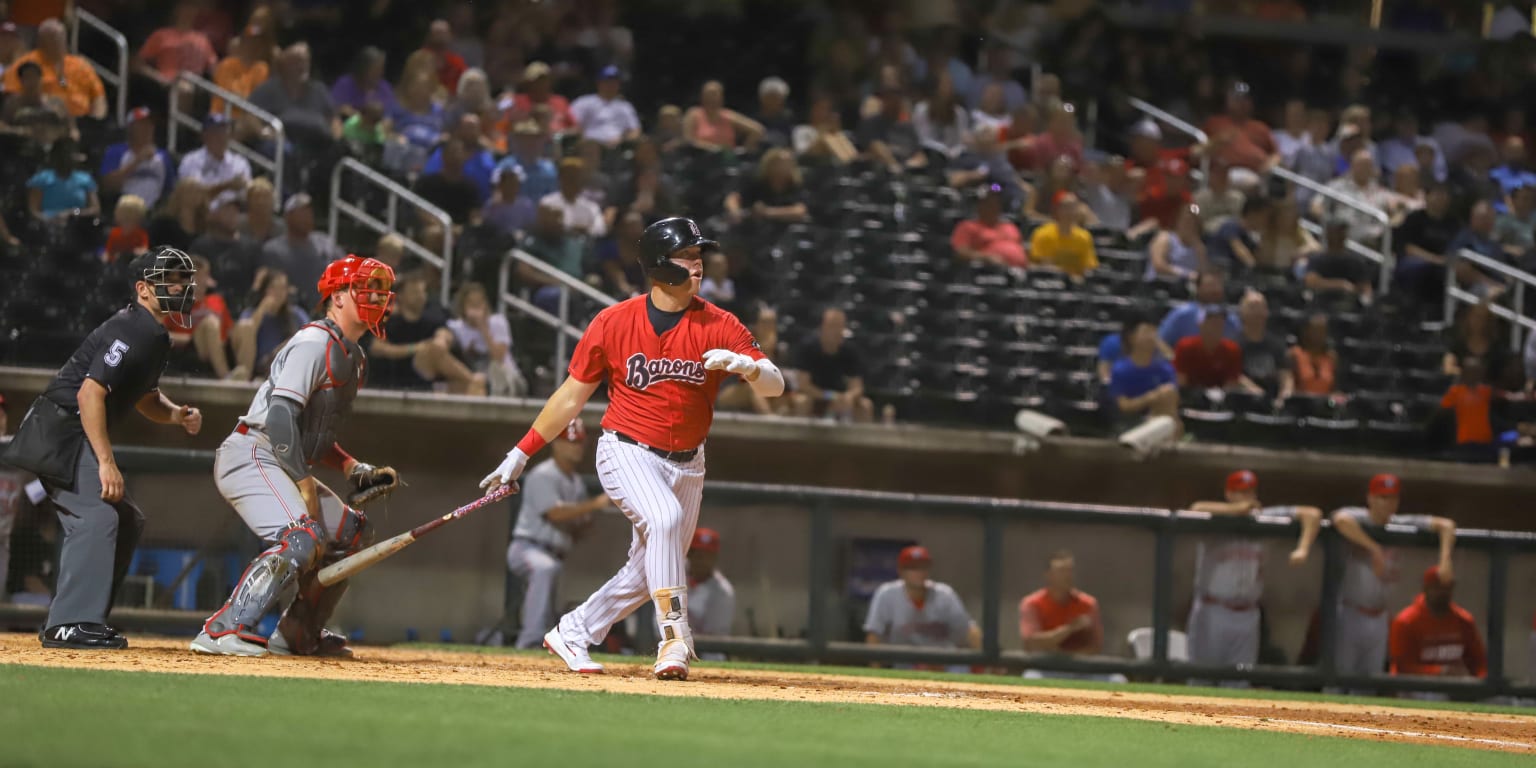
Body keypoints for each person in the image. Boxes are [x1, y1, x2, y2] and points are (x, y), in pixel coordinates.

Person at [478, 216, 785, 680]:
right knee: (664, 520)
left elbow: (776, 386)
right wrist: (521, 452)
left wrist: (748, 367)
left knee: (649, 571)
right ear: (660, 264)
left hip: (689, 463)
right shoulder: (613, 321)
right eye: (688, 256)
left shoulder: (719, 323)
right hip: (627, 449)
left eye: (700, 256)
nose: (698, 264)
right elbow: (570, 397)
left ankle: (574, 631)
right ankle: (675, 639)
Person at [191, 256, 398, 657]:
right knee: (302, 536)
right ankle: (222, 629)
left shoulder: (353, 356)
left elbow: (313, 433)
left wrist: (351, 466)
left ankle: (298, 633)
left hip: (281, 458)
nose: (376, 297)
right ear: (338, 297)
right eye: (365, 288)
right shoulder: (314, 343)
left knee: (352, 533)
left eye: (380, 291)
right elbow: (281, 417)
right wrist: (304, 485)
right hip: (253, 451)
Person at [1, 249, 201, 649]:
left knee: (125, 520)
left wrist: (176, 414)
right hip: (59, 430)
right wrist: (107, 463)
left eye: (182, 279)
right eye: (170, 279)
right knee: (98, 515)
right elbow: (89, 394)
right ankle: (68, 623)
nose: (180, 287)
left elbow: (146, 397)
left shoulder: (154, 335)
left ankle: (84, 618)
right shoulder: (130, 327)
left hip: (69, 431)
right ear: (143, 289)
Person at [1187, 471, 1322, 667]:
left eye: (1249, 492)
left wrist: (1303, 548)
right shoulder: (1216, 518)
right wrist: (1236, 509)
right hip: (1213, 609)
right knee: (1201, 674)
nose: (1246, 497)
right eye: (1240, 492)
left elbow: (1312, 514)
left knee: (1241, 677)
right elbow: (1195, 509)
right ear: (1228, 494)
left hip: (1248, 613)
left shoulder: (1264, 518)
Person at [1329, 474, 1457, 679]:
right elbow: (1340, 520)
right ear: (1370, 498)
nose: (1388, 503)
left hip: (1380, 616)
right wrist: (1374, 548)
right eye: (1382, 497)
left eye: (1393, 498)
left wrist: (1445, 561)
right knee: (1338, 679)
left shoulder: (1400, 523)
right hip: (1350, 612)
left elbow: (1447, 525)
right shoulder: (1360, 518)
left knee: (1371, 682)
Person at [505, 420, 611, 649]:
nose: (575, 447)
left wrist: (587, 523)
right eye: (569, 442)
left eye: (579, 443)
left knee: (550, 577)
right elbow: (554, 514)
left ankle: (542, 641)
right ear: (556, 444)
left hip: (554, 552)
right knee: (545, 569)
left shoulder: (576, 482)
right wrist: (594, 504)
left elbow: (577, 525)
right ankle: (529, 641)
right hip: (527, 547)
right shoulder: (543, 474)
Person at [366, 271, 486, 395]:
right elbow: (377, 348)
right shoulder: (390, 320)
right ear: (401, 296)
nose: (420, 296)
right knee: (434, 351)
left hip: (426, 374)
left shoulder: (431, 315)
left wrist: (442, 339)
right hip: (395, 373)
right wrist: (415, 348)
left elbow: (444, 332)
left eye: (423, 292)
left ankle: (472, 381)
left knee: (439, 353)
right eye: (414, 292)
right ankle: (472, 379)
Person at [865, 545, 981, 651]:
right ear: (901, 571)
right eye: (913, 568)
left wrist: (987, 661)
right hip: (904, 662)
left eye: (923, 567)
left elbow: (969, 630)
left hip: (942, 660)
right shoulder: (887, 594)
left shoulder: (945, 594)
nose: (919, 572)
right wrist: (875, 665)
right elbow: (874, 634)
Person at [1389, 566, 1486, 679]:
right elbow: (1403, 667)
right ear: (1425, 588)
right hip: (1415, 684)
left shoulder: (1464, 620)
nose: (1443, 592)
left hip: (1453, 684)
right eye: (1437, 587)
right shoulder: (1405, 621)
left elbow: (1479, 662)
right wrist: (1440, 671)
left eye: (1447, 587)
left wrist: (1480, 680)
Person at [1, 18, 107, 119]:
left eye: (60, 38)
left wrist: (96, 118)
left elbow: (98, 95)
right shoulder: (26, 65)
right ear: (41, 42)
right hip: (42, 118)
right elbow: (11, 95)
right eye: (52, 38)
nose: (57, 42)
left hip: (82, 120)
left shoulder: (81, 65)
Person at [1017, 550, 1107, 664]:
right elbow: (1031, 644)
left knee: (1116, 675)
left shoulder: (1088, 604)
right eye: (1061, 571)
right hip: (1043, 666)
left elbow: (1096, 646)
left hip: (1081, 666)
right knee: (1031, 674)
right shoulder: (1032, 603)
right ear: (1048, 575)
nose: (1067, 575)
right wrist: (1070, 629)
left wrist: (1071, 659)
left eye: (1070, 570)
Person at [261, 194, 344, 307]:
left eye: (309, 212)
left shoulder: (325, 244)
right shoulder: (273, 250)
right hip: (290, 311)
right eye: (302, 212)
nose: (307, 216)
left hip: (327, 309)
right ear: (288, 217)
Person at [793, 308, 875, 423]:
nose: (836, 331)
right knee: (801, 401)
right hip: (816, 395)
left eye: (840, 326)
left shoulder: (850, 351)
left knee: (865, 405)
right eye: (832, 326)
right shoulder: (808, 348)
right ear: (822, 327)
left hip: (840, 396)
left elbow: (857, 386)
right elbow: (804, 385)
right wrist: (830, 396)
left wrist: (849, 396)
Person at [447, 282, 526, 397]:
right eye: (471, 303)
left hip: (506, 376)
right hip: (475, 376)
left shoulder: (498, 322)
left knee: (495, 371)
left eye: (479, 303)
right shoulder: (455, 327)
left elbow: (498, 357)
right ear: (463, 306)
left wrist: (483, 328)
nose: (476, 306)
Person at [231, 269, 307, 378]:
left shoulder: (296, 314)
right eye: (273, 288)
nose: (278, 293)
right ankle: (245, 376)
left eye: (282, 288)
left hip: (286, 364)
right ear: (265, 290)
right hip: (258, 365)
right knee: (246, 326)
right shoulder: (250, 313)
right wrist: (261, 310)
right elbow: (245, 335)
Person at [1110, 314, 1180, 431]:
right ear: (1132, 338)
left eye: (1154, 332)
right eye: (1146, 332)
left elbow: (1173, 400)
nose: (1150, 337)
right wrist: (1151, 397)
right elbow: (1124, 406)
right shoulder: (1121, 369)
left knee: (1168, 394)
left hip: (1160, 420)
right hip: (1130, 423)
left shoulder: (1165, 369)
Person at [1174, 309, 1257, 392]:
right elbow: (1181, 382)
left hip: (1221, 396)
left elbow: (1231, 384)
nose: (1216, 327)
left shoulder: (1232, 349)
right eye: (1211, 322)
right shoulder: (1186, 346)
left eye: (1219, 323)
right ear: (1201, 325)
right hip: (1190, 395)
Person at [177, 113, 251, 202]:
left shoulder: (240, 163)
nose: (221, 136)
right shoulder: (191, 160)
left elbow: (246, 197)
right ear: (204, 135)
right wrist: (226, 186)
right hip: (201, 209)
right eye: (215, 132)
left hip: (231, 209)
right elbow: (194, 196)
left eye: (224, 131)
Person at [951, 185, 1027, 268]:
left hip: (1020, 271)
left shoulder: (1010, 226)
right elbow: (960, 253)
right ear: (979, 205)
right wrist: (985, 258)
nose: (993, 205)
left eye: (995, 202)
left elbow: (1021, 249)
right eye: (988, 202)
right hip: (989, 271)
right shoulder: (967, 226)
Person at [1236, 293, 1293, 402]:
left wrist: (1284, 397)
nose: (1257, 312)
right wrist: (1256, 392)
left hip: (1274, 401)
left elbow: (1286, 376)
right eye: (1253, 307)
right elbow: (1234, 376)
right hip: (1243, 401)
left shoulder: (1277, 344)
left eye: (1261, 307)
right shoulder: (1234, 345)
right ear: (1242, 313)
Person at [1158, 272, 1239, 349]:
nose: (1214, 290)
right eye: (1209, 285)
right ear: (1198, 288)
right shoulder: (1182, 314)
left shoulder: (1231, 319)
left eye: (1217, 285)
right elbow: (1161, 342)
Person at [570, 65, 641, 147]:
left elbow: (635, 131)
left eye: (614, 82)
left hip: (618, 147)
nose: (611, 85)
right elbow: (574, 125)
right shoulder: (584, 102)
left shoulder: (625, 106)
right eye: (607, 82)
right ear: (599, 83)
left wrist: (623, 140)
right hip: (590, 145)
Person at [1029, 195, 1098, 279]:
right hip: (1050, 280)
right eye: (1066, 207)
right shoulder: (1043, 234)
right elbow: (1040, 265)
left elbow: (1089, 267)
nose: (1070, 212)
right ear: (1057, 210)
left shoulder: (1084, 237)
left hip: (1076, 283)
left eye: (1073, 207)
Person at [687, 527, 735, 643]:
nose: (702, 561)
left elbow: (714, 637)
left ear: (715, 558)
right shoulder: (673, 575)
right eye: (698, 555)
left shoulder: (723, 592)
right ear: (688, 554)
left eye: (708, 556)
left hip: (705, 649)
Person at [1146, 204, 1208, 280]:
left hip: (1189, 284)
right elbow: (1158, 265)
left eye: (1193, 222)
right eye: (1186, 221)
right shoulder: (1165, 238)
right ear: (1178, 221)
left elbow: (1203, 271)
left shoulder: (1199, 246)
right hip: (1161, 283)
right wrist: (1185, 274)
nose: (1190, 225)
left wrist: (1199, 247)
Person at [1290, 314, 1340, 397]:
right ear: (1306, 332)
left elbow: (1335, 389)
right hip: (1301, 401)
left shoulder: (1332, 357)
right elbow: (1289, 385)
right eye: (1315, 331)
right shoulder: (1294, 354)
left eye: (1322, 331)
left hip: (1325, 402)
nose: (1318, 335)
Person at [104, 195, 150, 263]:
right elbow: (108, 252)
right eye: (124, 215)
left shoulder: (141, 234)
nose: (127, 218)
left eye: (130, 216)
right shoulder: (114, 233)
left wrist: (134, 253)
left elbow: (144, 251)